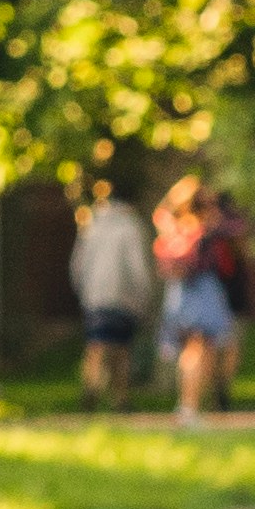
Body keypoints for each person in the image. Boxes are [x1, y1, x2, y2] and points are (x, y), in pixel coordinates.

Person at [153, 172, 242, 421]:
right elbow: (236, 228)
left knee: (197, 349)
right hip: (202, 290)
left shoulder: (171, 226)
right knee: (200, 348)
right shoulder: (203, 228)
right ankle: (189, 407)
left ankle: (191, 405)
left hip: (181, 292)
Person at [68, 162, 157, 408]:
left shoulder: (93, 225)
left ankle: (91, 390)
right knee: (121, 349)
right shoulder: (132, 227)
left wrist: (83, 290)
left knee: (95, 345)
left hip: (95, 295)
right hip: (123, 296)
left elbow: (78, 263)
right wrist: (144, 295)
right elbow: (138, 266)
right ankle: (120, 397)